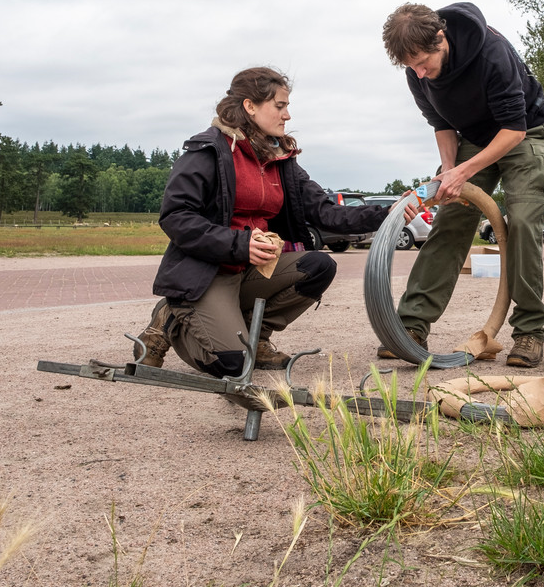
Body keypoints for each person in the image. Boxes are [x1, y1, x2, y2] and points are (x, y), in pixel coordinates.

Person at [134, 66, 398, 377]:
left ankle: (255, 337)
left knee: (318, 267)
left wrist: (388, 213)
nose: (287, 115)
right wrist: (240, 244)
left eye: (287, 106)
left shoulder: (281, 159)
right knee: (232, 365)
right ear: (250, 106)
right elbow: (176, 217)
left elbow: (325, 212)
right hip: (208, 273)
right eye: (280, 106)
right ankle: (169, 320)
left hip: (253, 270)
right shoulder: (208, 151)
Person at [381, 2, 544, 367]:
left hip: (524, 132)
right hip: (475, 138)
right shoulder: (417, 72)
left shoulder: (492, 54)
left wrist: (463, 173)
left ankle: (529, 332)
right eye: (411, 67)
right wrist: (449, 171)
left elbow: (514, 129)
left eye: (422, 62)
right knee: (450, 219)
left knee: (523, 220)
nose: (420, 73)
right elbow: (442, 124)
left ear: (440, 38)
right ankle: (411, 326)